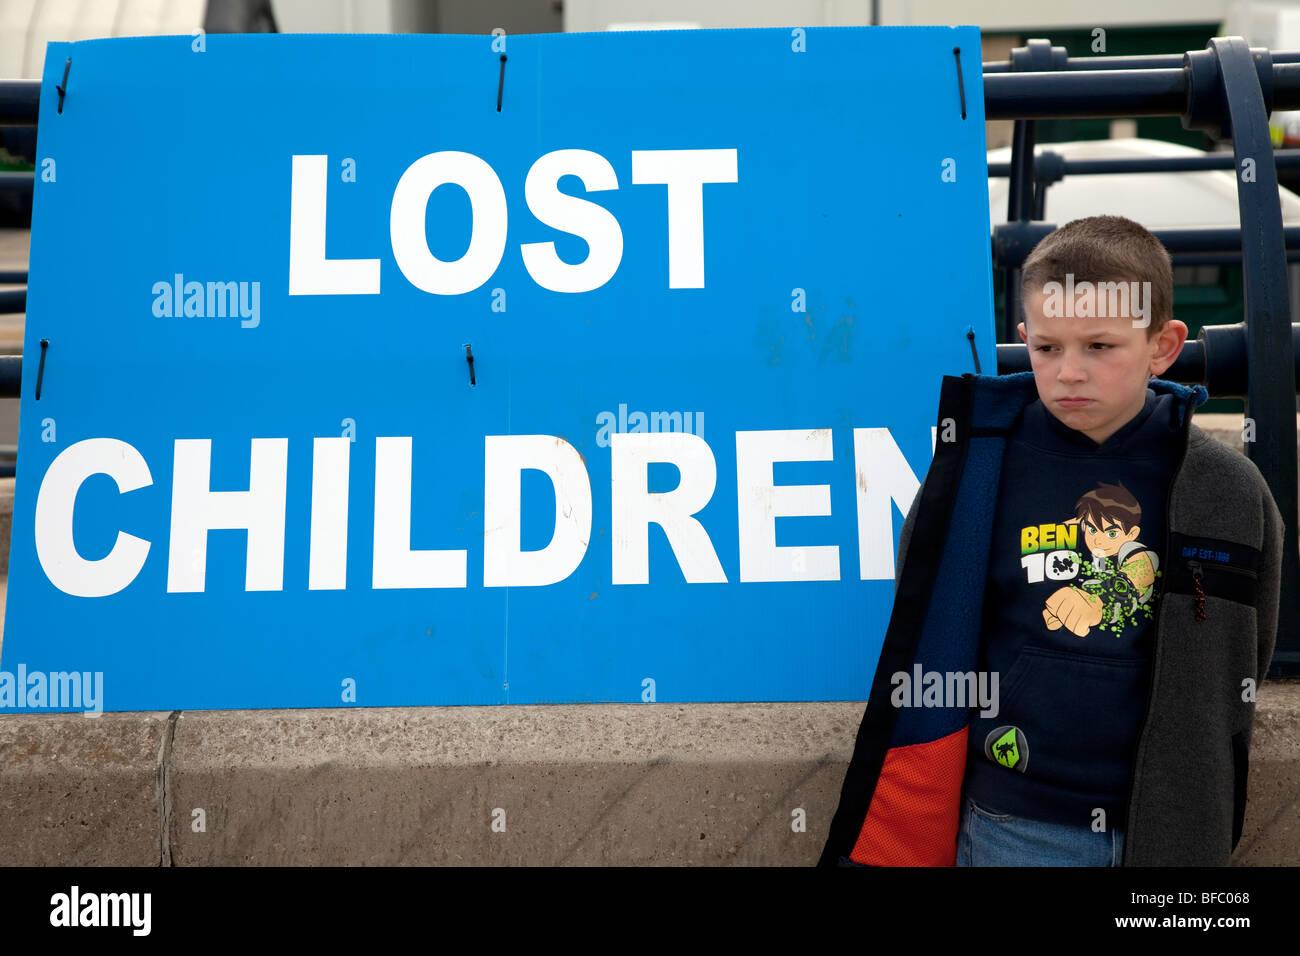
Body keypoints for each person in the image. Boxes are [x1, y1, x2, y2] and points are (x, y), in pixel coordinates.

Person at [819, 215, 1285, 866]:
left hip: (1176, 824)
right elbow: (932, 611)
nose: (1069, 372)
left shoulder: (1225, 488)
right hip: (1015, 821)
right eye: (1047, 347)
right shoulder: (978, 471)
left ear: (1164, 345)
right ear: (1023, 340)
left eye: (1099, 347)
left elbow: (1246, 649)